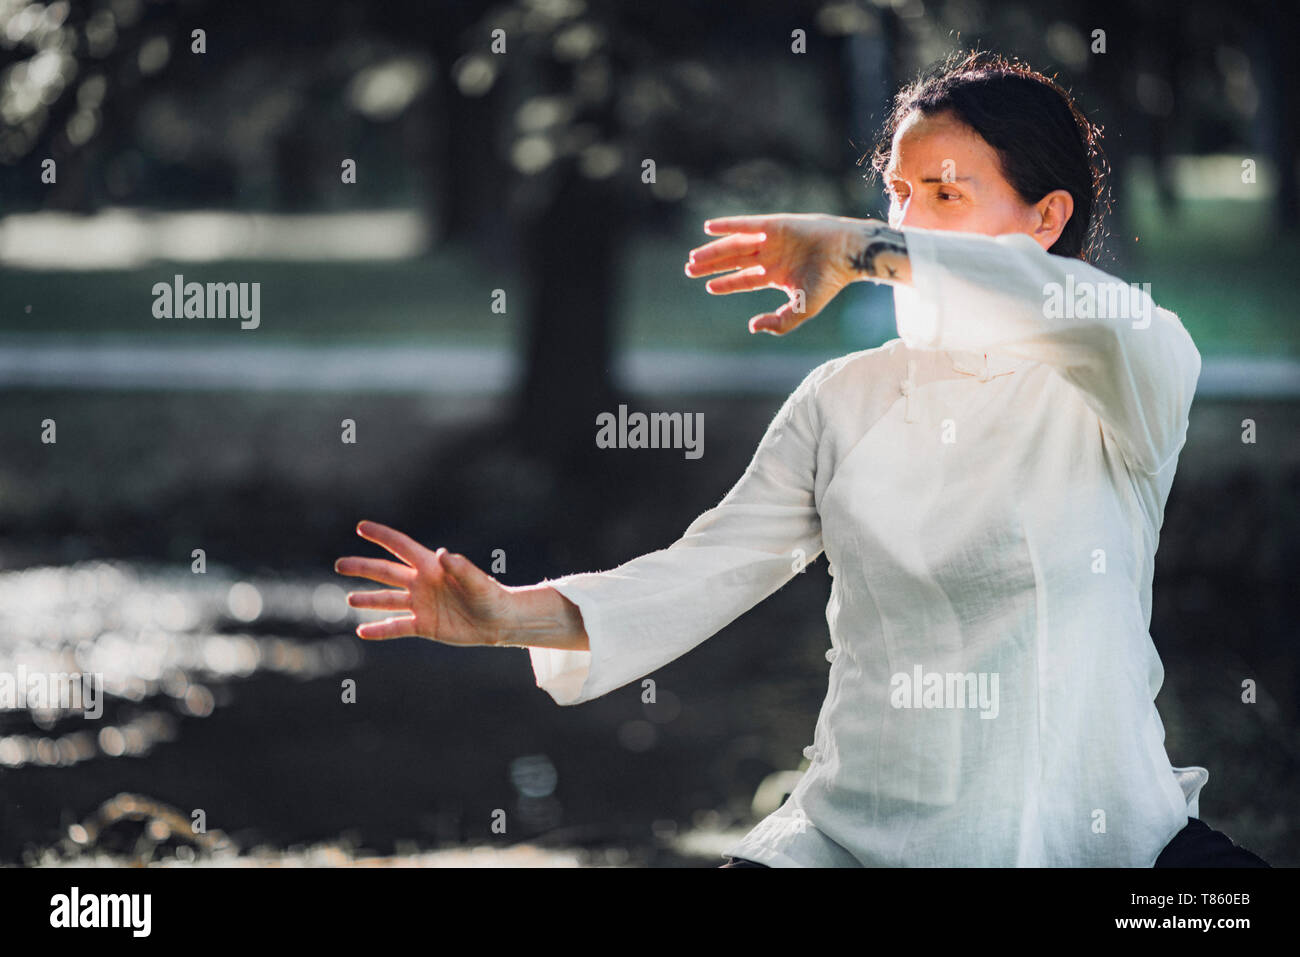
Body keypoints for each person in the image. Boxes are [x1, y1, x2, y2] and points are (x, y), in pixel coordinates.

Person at [334, 51, 1270, 867]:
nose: (906, 217)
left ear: (1046, 218)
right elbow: (703, 572)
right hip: (854, 843)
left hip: (1107, 844)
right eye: (898, 193)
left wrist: (864, 247)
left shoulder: (1129, 367)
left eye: (944, 193)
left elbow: (1057, 301)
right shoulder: (842, 398)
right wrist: (505, 619)